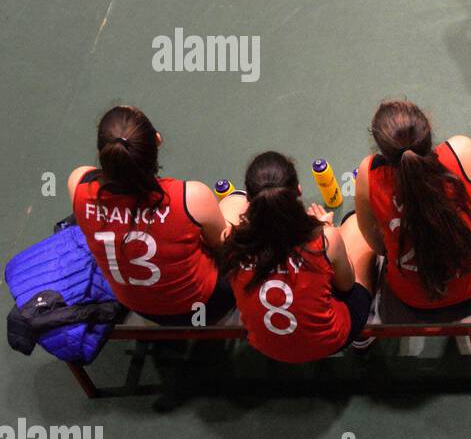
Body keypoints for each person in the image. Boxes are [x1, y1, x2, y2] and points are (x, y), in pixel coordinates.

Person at [68, 105, 246, 324]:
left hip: (137, 305)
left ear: (101, 154)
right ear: (158, 140)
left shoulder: (77, 183)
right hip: (203, 306)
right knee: (238, 201)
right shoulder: (190, 197)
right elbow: (223, 246)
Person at [355, 100, 471, 315]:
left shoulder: (369, 173)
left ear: (382, 148)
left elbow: (376, 244)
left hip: (411, 300)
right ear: (428, 128)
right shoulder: (462, 152)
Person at [220, 152, 376, 362]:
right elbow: (346, 285)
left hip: (267, 346)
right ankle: (364, 334)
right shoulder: (324, 239)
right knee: (356, 224)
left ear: (249, 200)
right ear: (298, 191)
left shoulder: (230, 241)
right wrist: (328, 228)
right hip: (329, 340)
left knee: (231, 199)